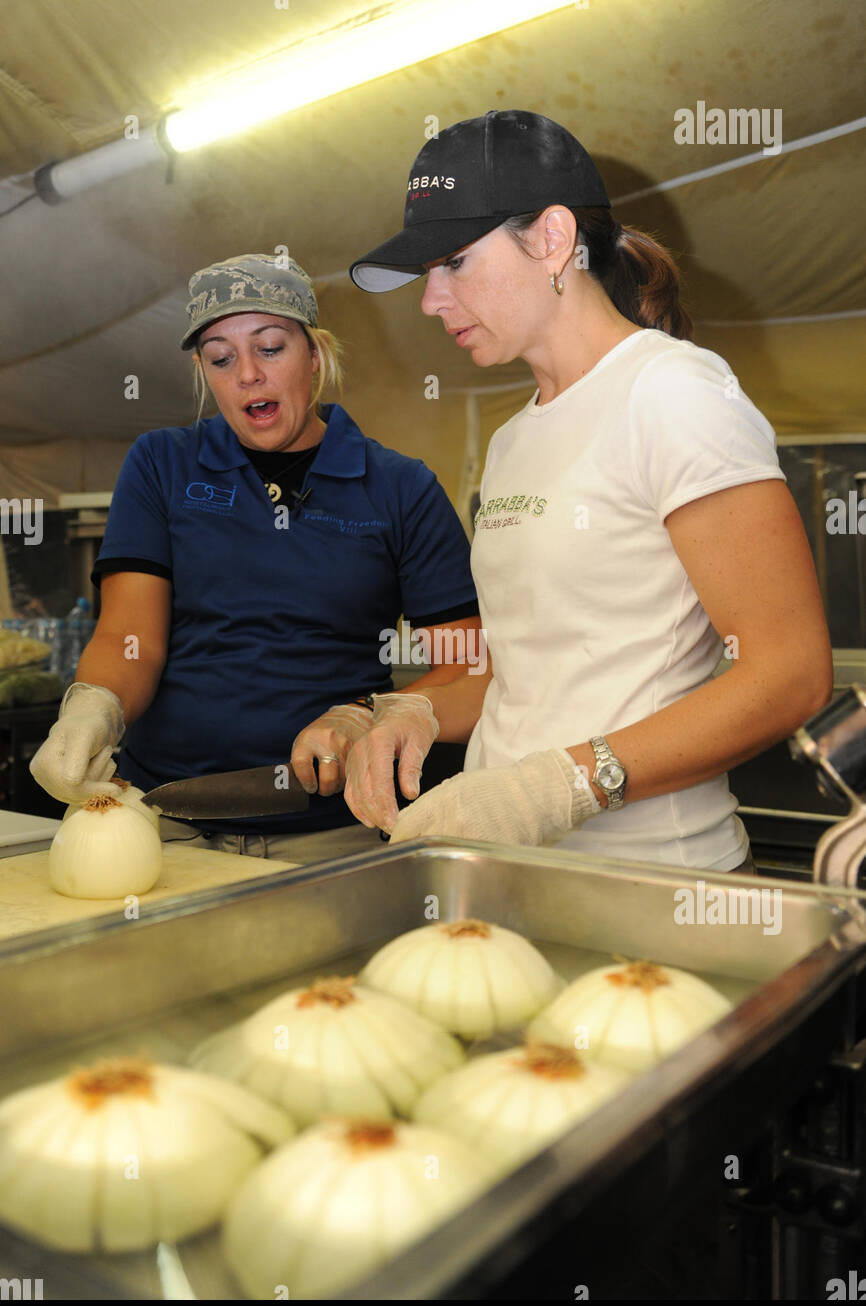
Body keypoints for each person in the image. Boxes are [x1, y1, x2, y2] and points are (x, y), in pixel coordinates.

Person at [341, 110, 833, 873]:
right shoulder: (511, 442)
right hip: (512, 868)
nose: (431, 302)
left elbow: (789, 674)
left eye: (455, 264)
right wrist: (418, 711)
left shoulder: (673, 393)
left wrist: (559, 786)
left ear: (552, 239)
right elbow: (527, 672)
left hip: (653, 876)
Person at [30, 253, 480, 860]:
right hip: (163, 818)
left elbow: (469, 666)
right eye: (220, 358)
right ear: (203, 370)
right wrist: (94, 708)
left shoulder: (400, 487)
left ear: (315, 355)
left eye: (270, 348)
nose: (247, 375)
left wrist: (367, 717)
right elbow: (129, 636)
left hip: (332, 831)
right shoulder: (162, 464)